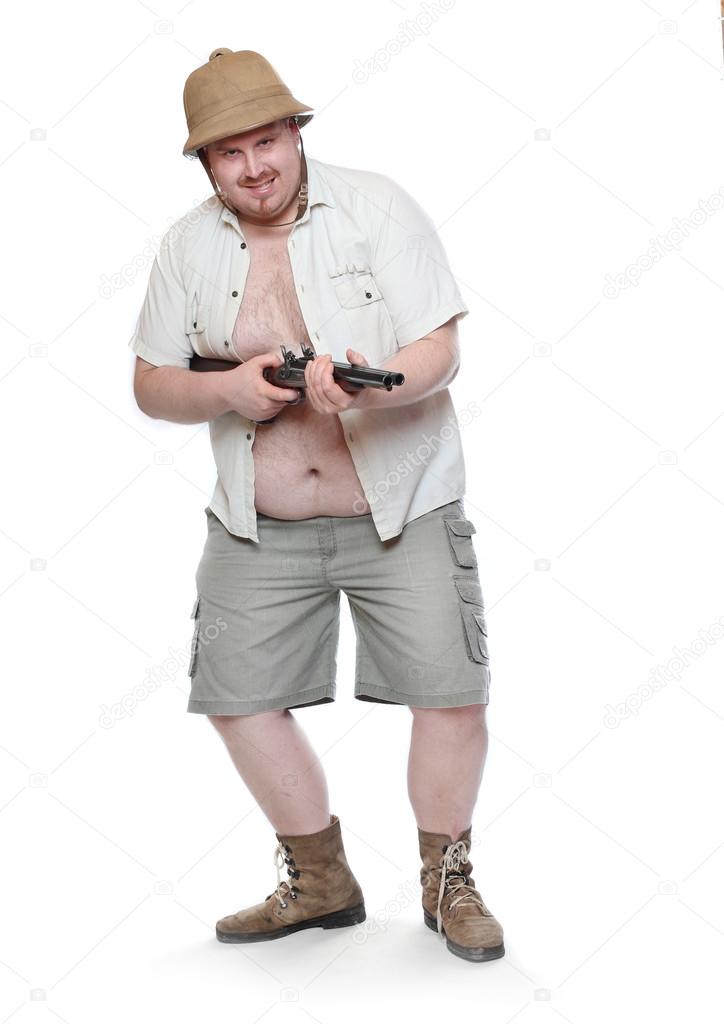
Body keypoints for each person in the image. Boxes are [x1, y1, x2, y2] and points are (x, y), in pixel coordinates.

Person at [129, 47, 504, 963]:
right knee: (236, 698)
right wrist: (226, 392)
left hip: (401, 506)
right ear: (205, 164)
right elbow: (149, 382)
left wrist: (373, 393)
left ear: (297, 133)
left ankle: (447, 884)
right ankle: (322, 881)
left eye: (267, 141)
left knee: (449, 697)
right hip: (257, 525)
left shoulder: (379, 207)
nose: (254, 167)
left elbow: (439, 347)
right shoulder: (186, 245)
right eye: (230, 153)